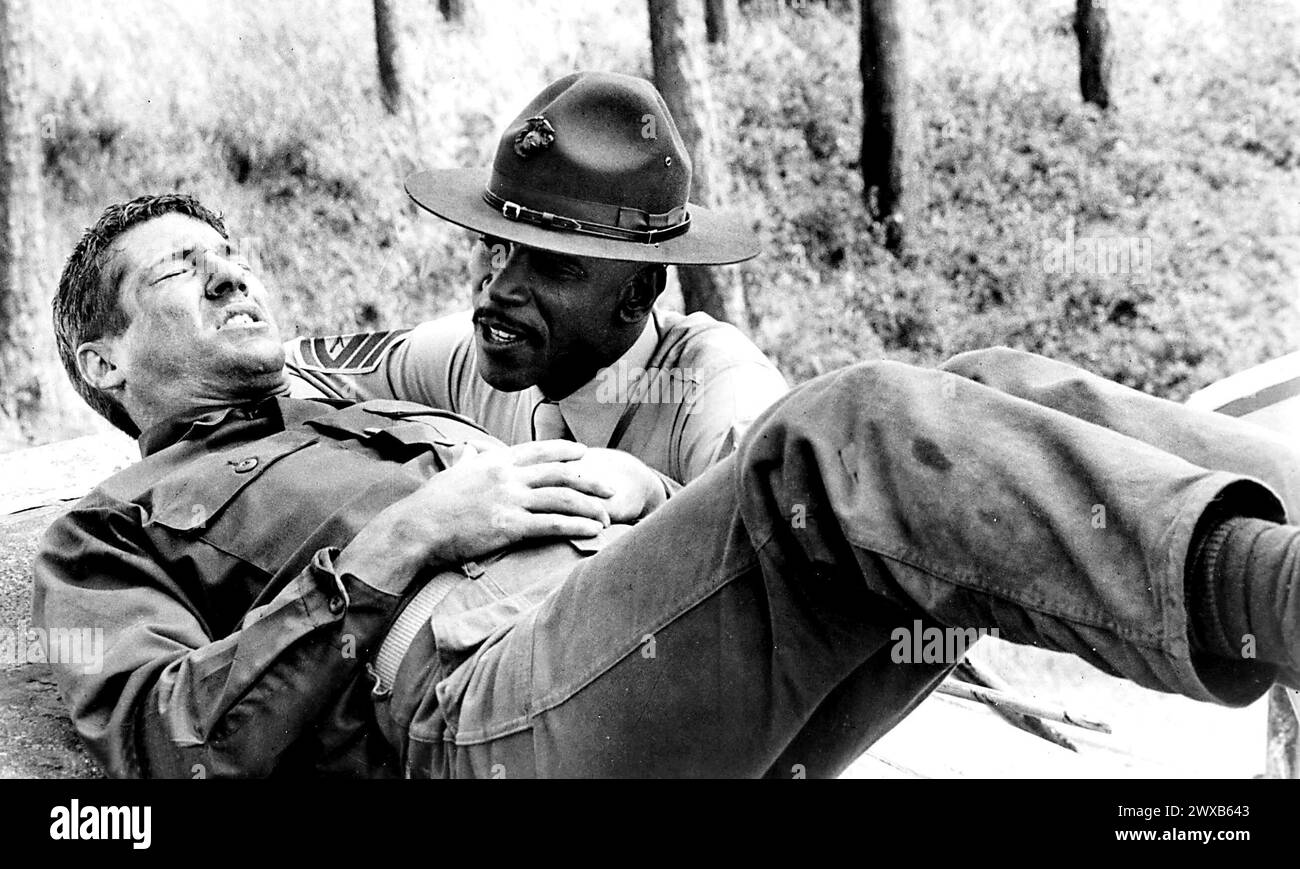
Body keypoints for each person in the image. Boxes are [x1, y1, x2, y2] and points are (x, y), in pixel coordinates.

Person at [34, 194, 1300, 779]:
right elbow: (173, 739)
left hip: (635, 657)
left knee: (993, 376)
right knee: (845, 427)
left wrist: (645, 495)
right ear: (100, 359)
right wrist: (404, 539)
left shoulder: (359, 400)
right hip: (482, 722)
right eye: (179, 274)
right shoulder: (106, 527)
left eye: (230, 252)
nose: (230, 272)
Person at [284, 71, 788, 487]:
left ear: (636, 295)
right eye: (494, 246)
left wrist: (655, 500)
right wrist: (440, 457)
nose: (499, 287)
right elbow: (288, 373)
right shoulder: (469, 356)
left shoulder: (712, 387)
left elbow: (773, 551)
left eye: (551, 264)